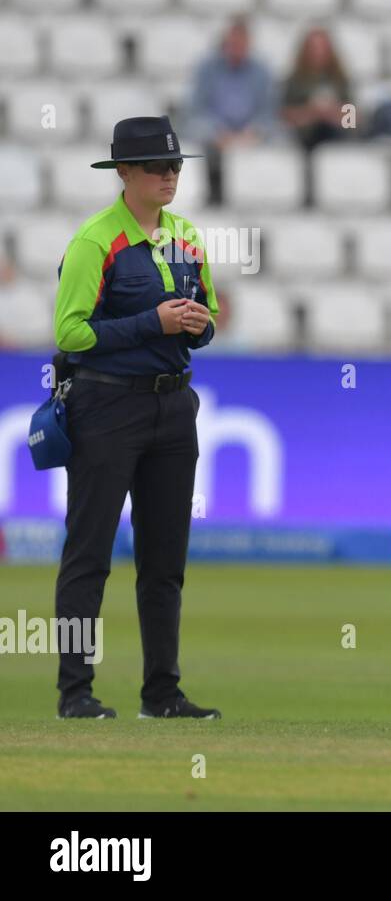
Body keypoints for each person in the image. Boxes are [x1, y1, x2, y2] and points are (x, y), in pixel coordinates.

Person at [52, 116, 220, 720]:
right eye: (157, 167)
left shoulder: (186, 237)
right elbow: (70, 332)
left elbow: (208, 315)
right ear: (124, 173)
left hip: (173, 405)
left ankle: (162, 693)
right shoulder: (97, 240)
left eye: (175, 166)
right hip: (107, 405)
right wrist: (157, 322)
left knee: (164, 560)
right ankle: (75, 693)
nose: (170, 176)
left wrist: (199, 325)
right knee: (89, 552)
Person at [188, 16, 279, 206]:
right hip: (215, 133)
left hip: (250, 133)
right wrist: (219, 133)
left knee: (280, 138)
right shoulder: (206, 69)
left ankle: (260, 195)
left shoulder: (261, 72)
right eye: (233, 43)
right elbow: (196, 108)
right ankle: (210, 195)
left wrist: (253, 132)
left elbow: (267, 111)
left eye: (242, 43)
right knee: (195, 130)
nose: (237, 47)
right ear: (225, 43)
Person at [281, 27, 352, 152]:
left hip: (337, 140)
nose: (318, 52)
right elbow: (284, 116)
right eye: (313, 48)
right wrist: (311, 112)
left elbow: (353, 119)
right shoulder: (294, 81)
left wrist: (331, 112)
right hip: (304, 141)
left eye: (322, 47)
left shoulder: (340, 81)